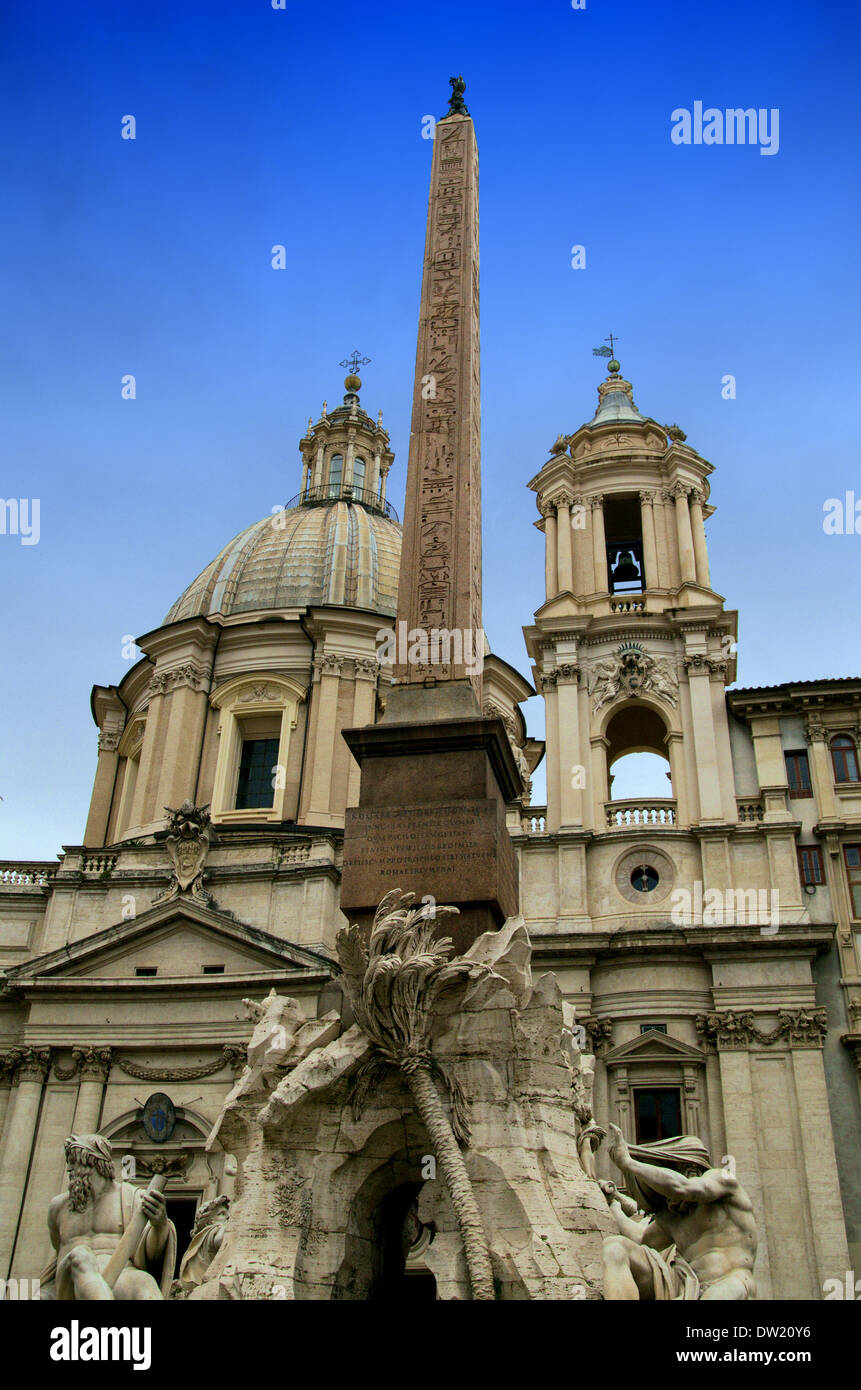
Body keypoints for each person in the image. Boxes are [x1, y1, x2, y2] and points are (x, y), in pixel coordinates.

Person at [601, 1124, 757, 1300]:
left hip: (731, 1283)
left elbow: (682, 1187)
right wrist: (612, 1203)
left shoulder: (722, 1180)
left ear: (691, 1169)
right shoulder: (672, 1216)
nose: (664, 1194)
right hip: (686, 1285)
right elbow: (640, 1238)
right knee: (614, 1247)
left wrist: (628, 1163)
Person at [42, 1134, 176, 1300]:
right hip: (71, 1281)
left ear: (96, 1164)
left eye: (76, 1163)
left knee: (145, 1282)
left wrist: (160, 1225)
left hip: (121, 1274)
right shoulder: (59, 1207)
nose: (69, 1169)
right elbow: (58, 1251)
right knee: (81, 1256)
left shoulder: (132, 1197)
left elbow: (151, 1254)